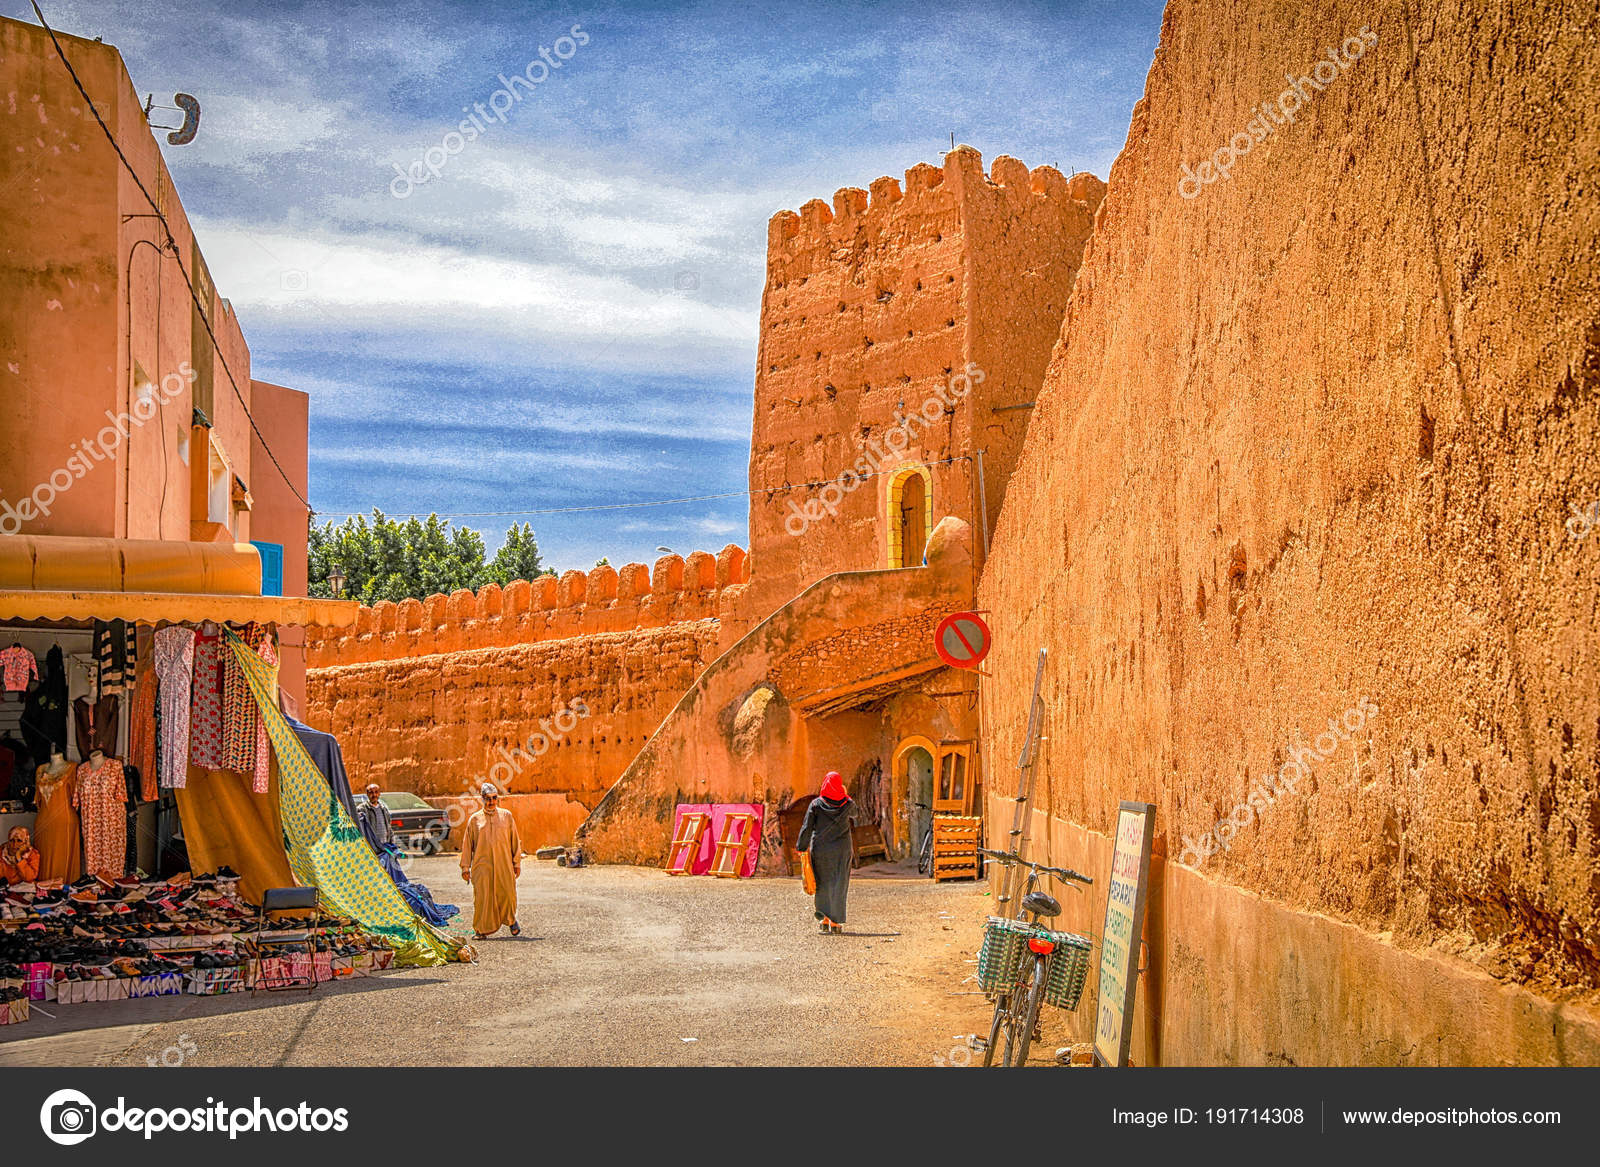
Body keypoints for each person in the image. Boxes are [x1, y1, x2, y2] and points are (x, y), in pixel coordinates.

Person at [459, 783, 522, 939]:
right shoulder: (474, 820)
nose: (491, 802)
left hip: (504, 864)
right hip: (482, 866)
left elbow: (515, 840)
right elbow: (467, 845)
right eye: (488, 799)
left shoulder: (506, 816)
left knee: (508, 894)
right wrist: (465, 867)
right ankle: (480, 930)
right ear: (482, 799)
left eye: (494, 798)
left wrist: (516, 863)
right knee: (483, 898)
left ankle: (511, 920)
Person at [797, 770, 856, 934]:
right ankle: (836, 923)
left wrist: (801, 847)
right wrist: (846, 795)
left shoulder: (816, 804)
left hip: (821, 849)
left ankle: (824, 919)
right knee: (839, 883)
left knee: (822, 883)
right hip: (842, 850)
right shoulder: (847, 804)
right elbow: (856, 813)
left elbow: (807, 826)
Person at [355, 783, 394, 851]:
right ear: (367, 794)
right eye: (371, 792)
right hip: (371, 848)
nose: (374, 795)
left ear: (379, 794)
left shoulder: (383, 809)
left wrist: (392, 843)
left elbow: (389, 827)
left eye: (376, 792)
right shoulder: (362, 809)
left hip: (385, 846)